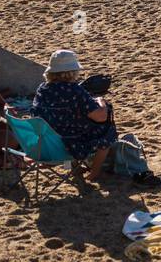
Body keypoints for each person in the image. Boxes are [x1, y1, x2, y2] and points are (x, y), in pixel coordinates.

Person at [31, 50, 117, 182]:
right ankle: (95, 173)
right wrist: (101, 101)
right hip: (69, 146)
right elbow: (101, 117)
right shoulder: (74, 90)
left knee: (70, 123)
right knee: (107, 128)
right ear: (71, 72)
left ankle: (75, 168)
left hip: (44, 145)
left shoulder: (42, 89)